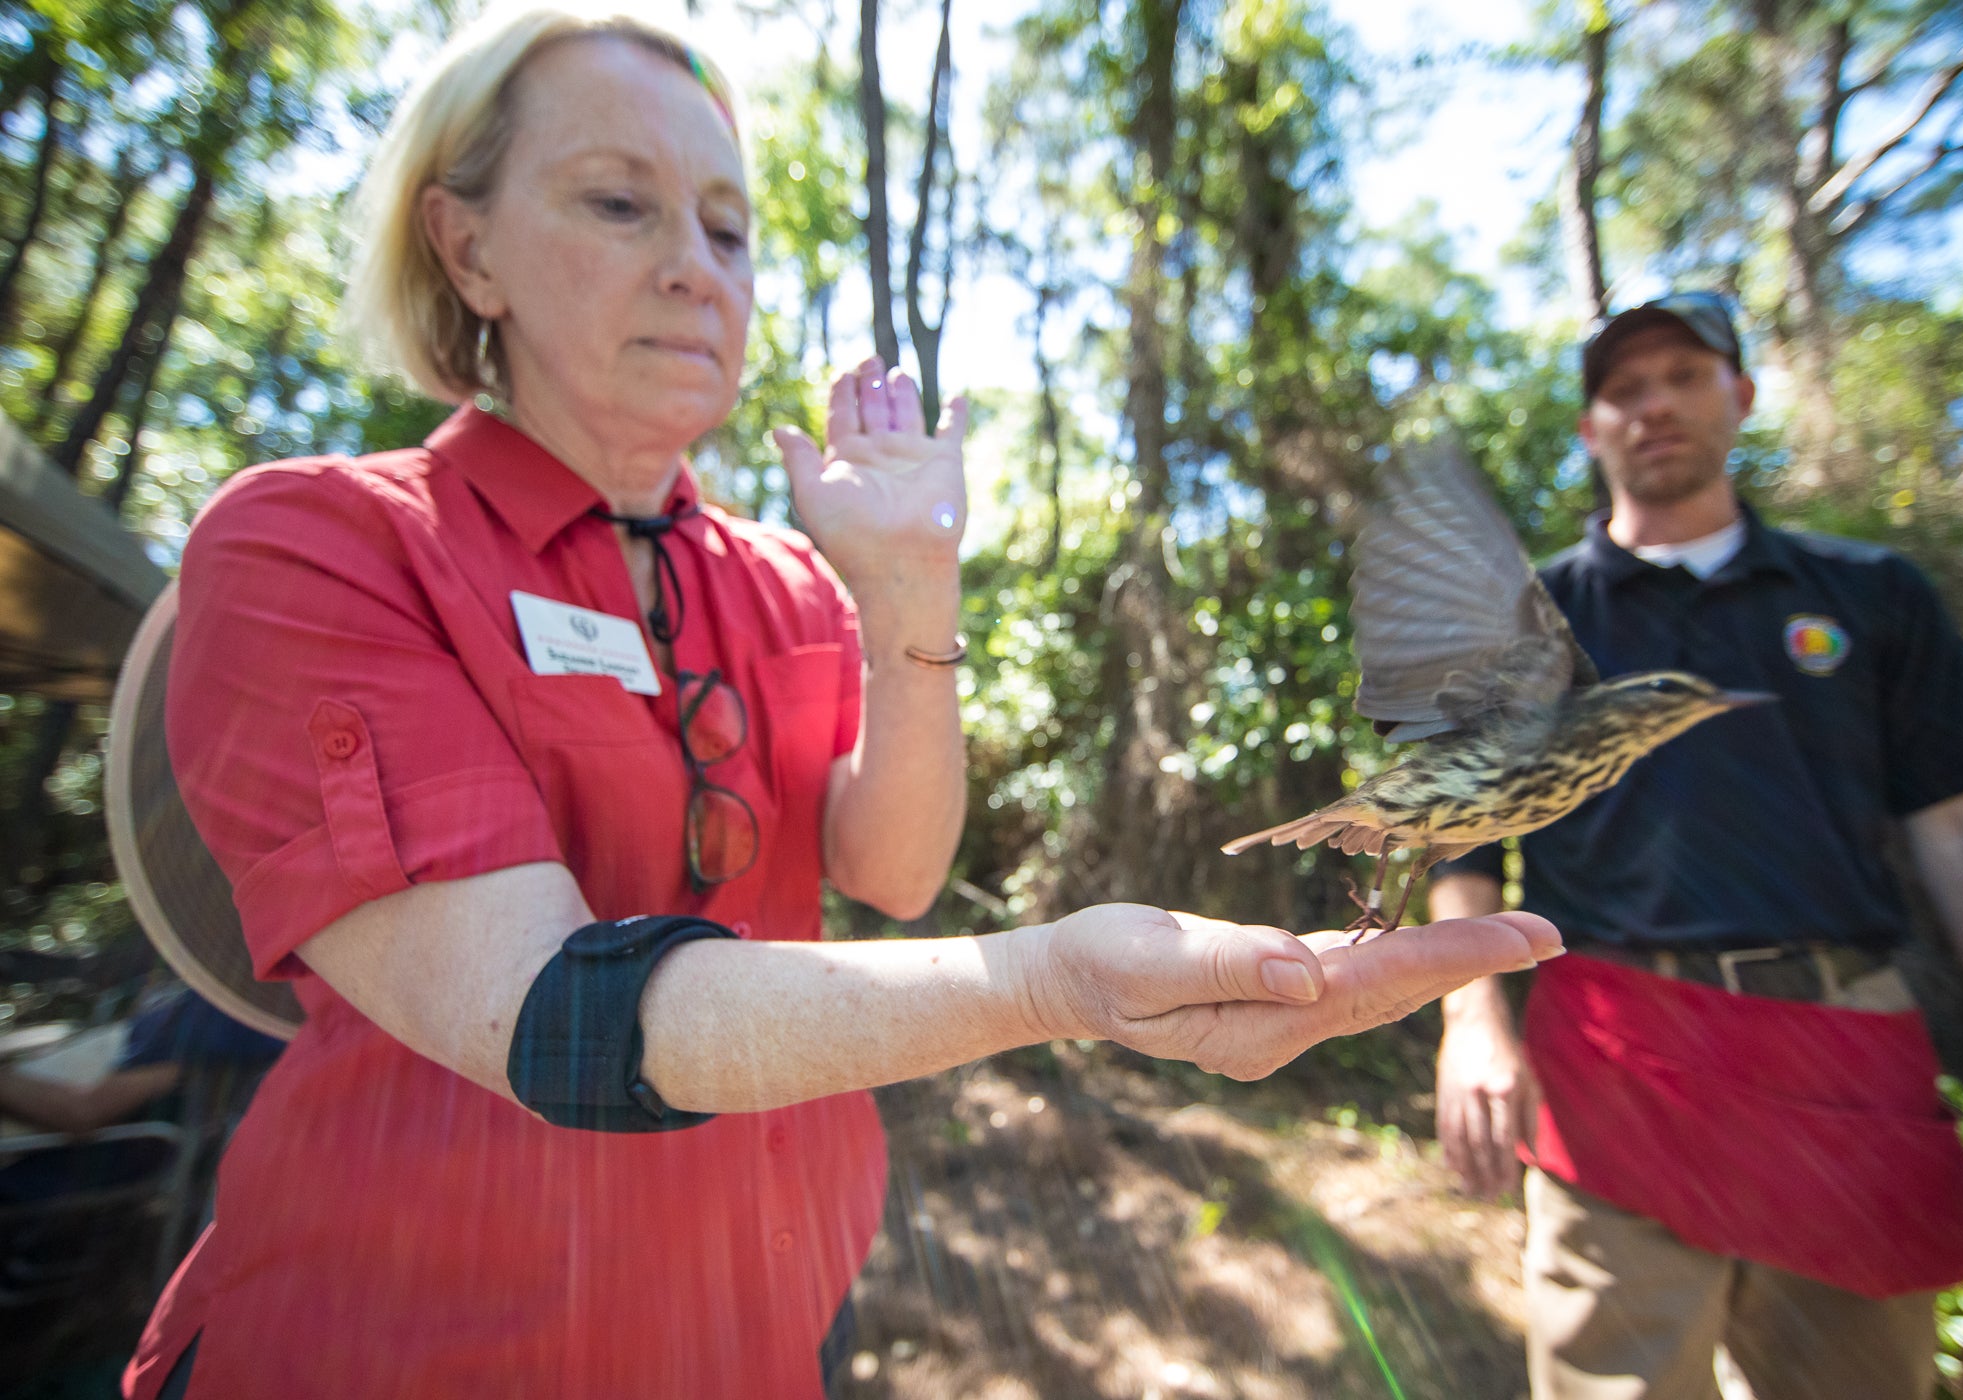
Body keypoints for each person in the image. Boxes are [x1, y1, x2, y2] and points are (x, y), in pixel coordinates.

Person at [119, 9, 1562, 1397]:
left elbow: (898, 870)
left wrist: (910, 587)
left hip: (754, 1336)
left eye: (730, 228)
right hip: (393, 1350)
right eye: (622, 204)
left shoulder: (787, 582)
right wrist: (1050, 982)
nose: (698, 266)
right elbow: (550, 1013)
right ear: (467, 244)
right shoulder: (325, 542)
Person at [1427, 290, 1963, 1400]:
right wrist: (1472, 1015)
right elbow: (1463, 830)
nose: (1655, 406)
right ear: (1592, 428)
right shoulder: (1528, 618)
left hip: (1848, 1054)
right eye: (1623, 389)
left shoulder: (1868, 596)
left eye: (1685, 376)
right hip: (1615, 1048)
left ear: (1740, 396)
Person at [0, 986, 282, 1139]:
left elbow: (84, 1110)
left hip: (39, 1140)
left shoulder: (228, 1015)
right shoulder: (223, 992)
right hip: (50, 1078)